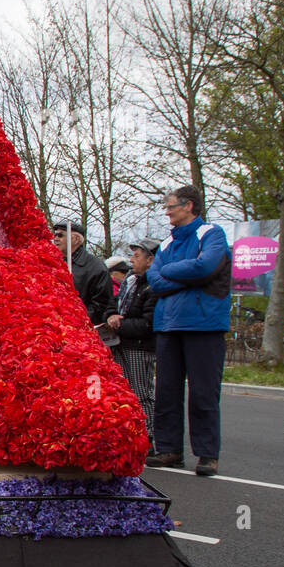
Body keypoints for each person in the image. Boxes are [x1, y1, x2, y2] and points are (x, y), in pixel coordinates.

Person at [146, 185, 231, 476]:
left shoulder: (211, 233)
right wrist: (187, 274)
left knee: (203, 392)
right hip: (168, 324)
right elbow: (154, 280)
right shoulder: (168, 243)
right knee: (166, 391)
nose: (167, 212)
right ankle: (169, 449)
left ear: (189, 206)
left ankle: (207, 454)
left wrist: (174, 272)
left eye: (171, 206)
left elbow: (206, 267)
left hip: (204, 324)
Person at [106, 239, 159, 447]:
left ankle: (148, 435)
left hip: (139, 347)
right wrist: (111, 315)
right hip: (122, 343)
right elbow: (114, 303)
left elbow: (148, 322)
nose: (132, 260)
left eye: (137, 256)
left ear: (150, 260)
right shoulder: (130, 281)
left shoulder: (152, 286)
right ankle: (130, 433)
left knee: (141, 392)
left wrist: (120, 325)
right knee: (125, 391)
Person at [52, 221, 114, 326]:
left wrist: (75, 321)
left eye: (60, 235)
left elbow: (101, 304)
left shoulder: (96, 267)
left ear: (76, 239)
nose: (55, 239)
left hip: (79, 327)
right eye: (55, 235)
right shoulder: (53, 263)